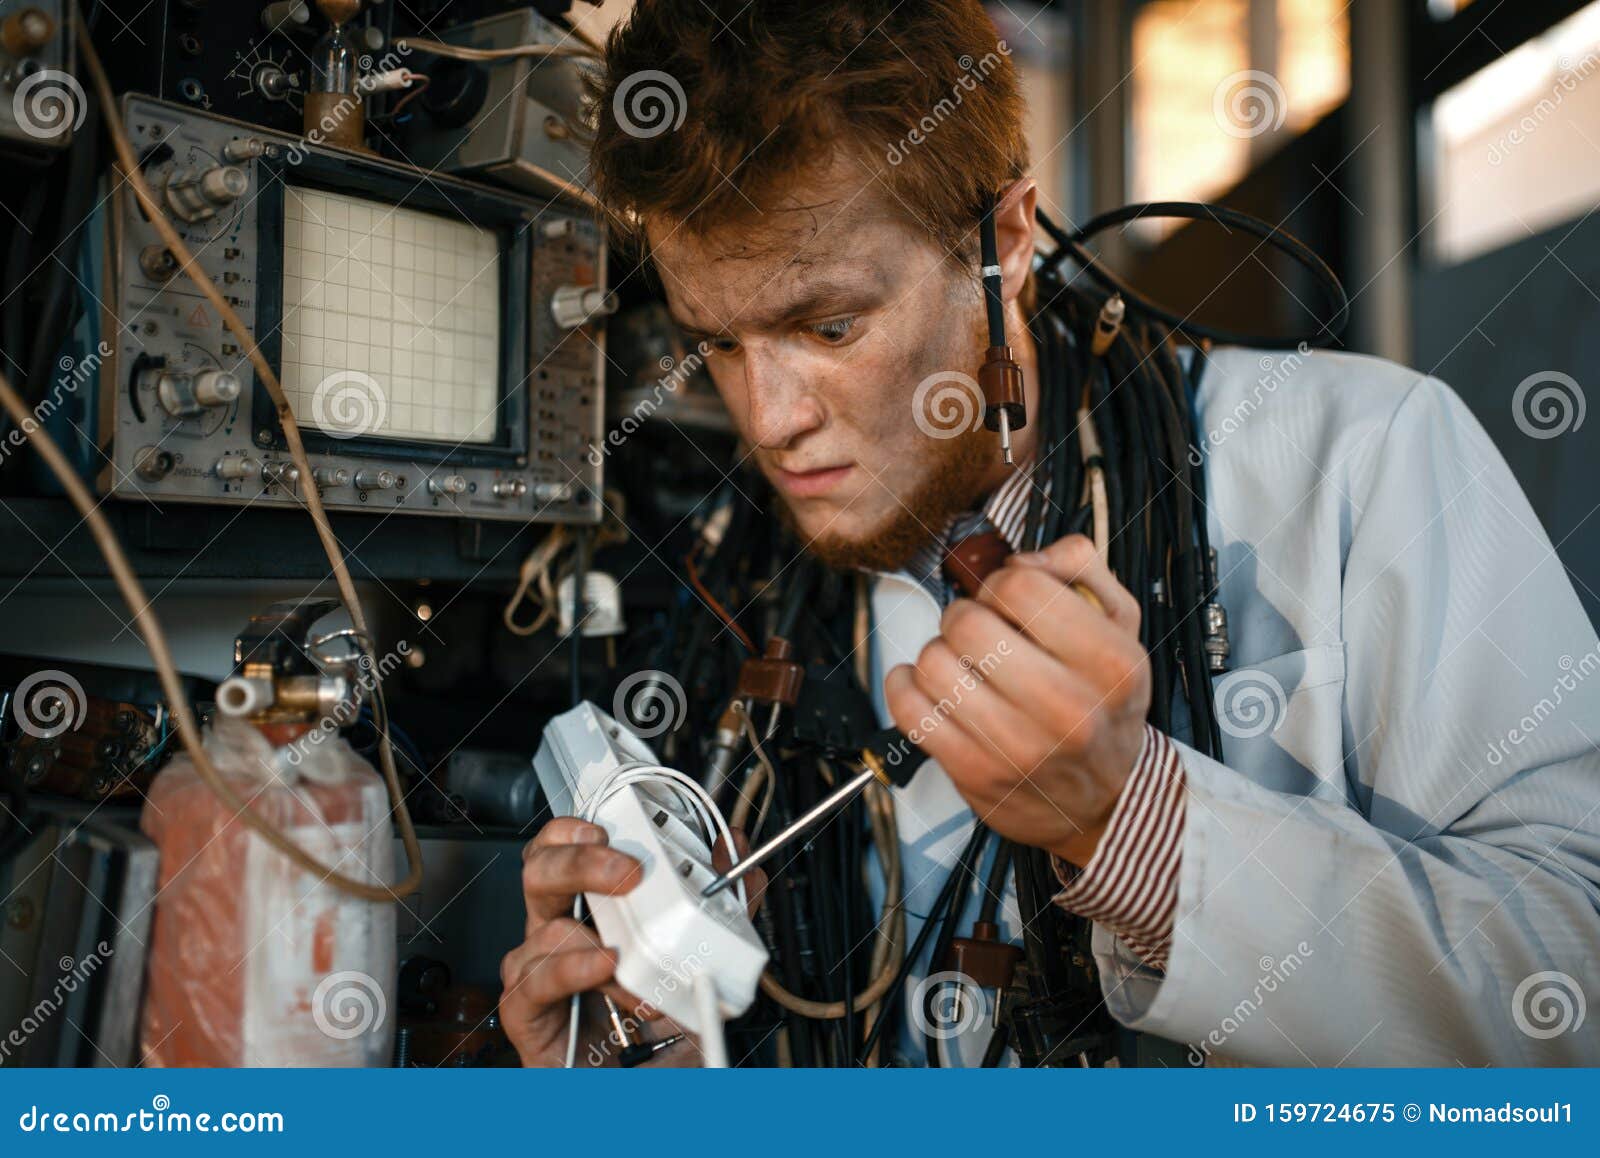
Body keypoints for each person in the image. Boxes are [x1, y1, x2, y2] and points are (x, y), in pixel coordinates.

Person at [501, 0, 1600, 1066]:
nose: (771, 419)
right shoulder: (734, 575)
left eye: (828, 326)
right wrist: (664, 1055)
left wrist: (1135, 826)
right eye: (721, 344)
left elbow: (1574, 990)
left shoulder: (1360, 455)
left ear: (1008, 239)